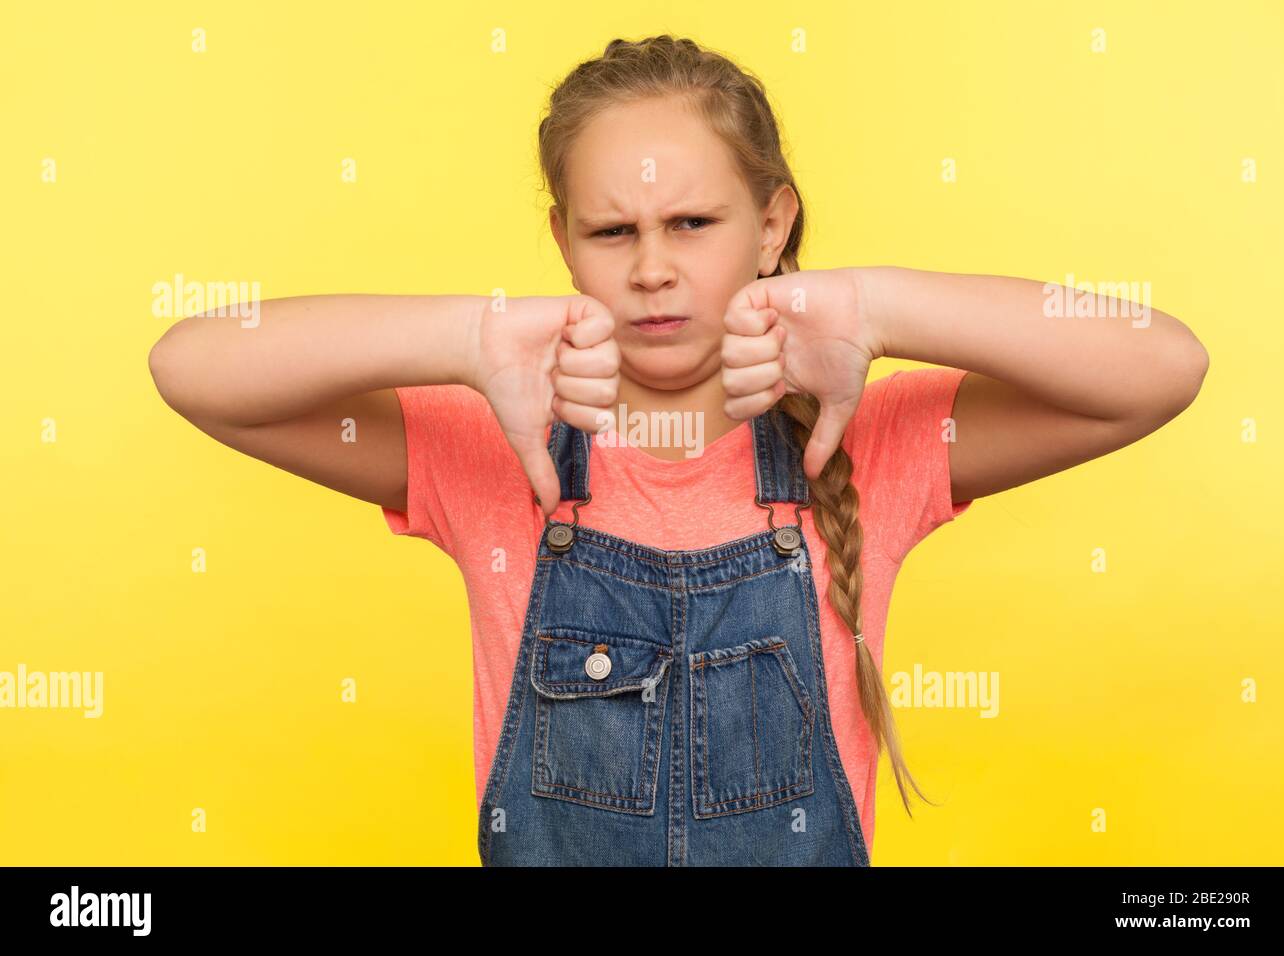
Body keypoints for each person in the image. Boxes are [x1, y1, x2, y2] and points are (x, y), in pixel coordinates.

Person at [148, 35, 1209, 866]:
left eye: (694, 222)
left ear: (772, 221)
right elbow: (192, 363)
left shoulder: (865, 445)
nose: (652, 268)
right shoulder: (494, 450)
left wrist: (874, 307)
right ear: (563, 241)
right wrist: (464, 341)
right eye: (613, 233)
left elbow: (1160, 364)